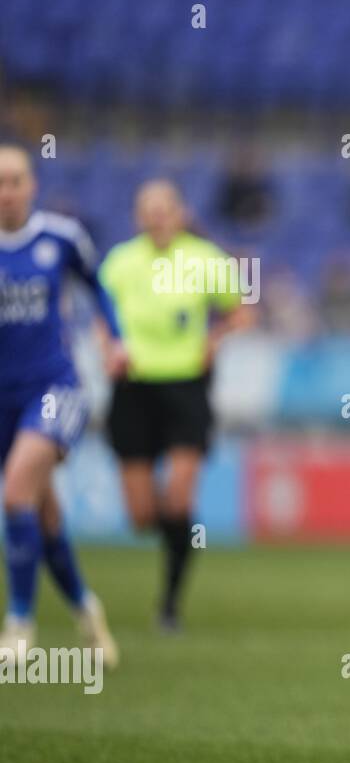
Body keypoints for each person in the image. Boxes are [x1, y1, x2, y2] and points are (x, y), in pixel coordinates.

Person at [98, 180, 255, 631]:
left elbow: (241, 311)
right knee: (143, 515)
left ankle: (169, 605)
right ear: (137, 216)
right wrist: (108, 346)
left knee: (180, 495)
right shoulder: (120, 263)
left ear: (181, 213)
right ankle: (181, 540)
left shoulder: (205, 259)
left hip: (186, 388)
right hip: (134, 387)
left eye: (165, 209)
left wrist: (214, 340)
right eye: (149, 210)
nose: (158, 217)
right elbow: (99, 314)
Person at [0, 142, 125, 666]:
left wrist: (113, 339)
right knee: (42, 513)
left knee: (13, 495)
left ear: (33, 185)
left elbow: (101, 288)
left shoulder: (61, 238)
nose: (6, 193)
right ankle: (85, 608)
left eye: (15, 181)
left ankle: (19, 623)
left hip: (56, 387)